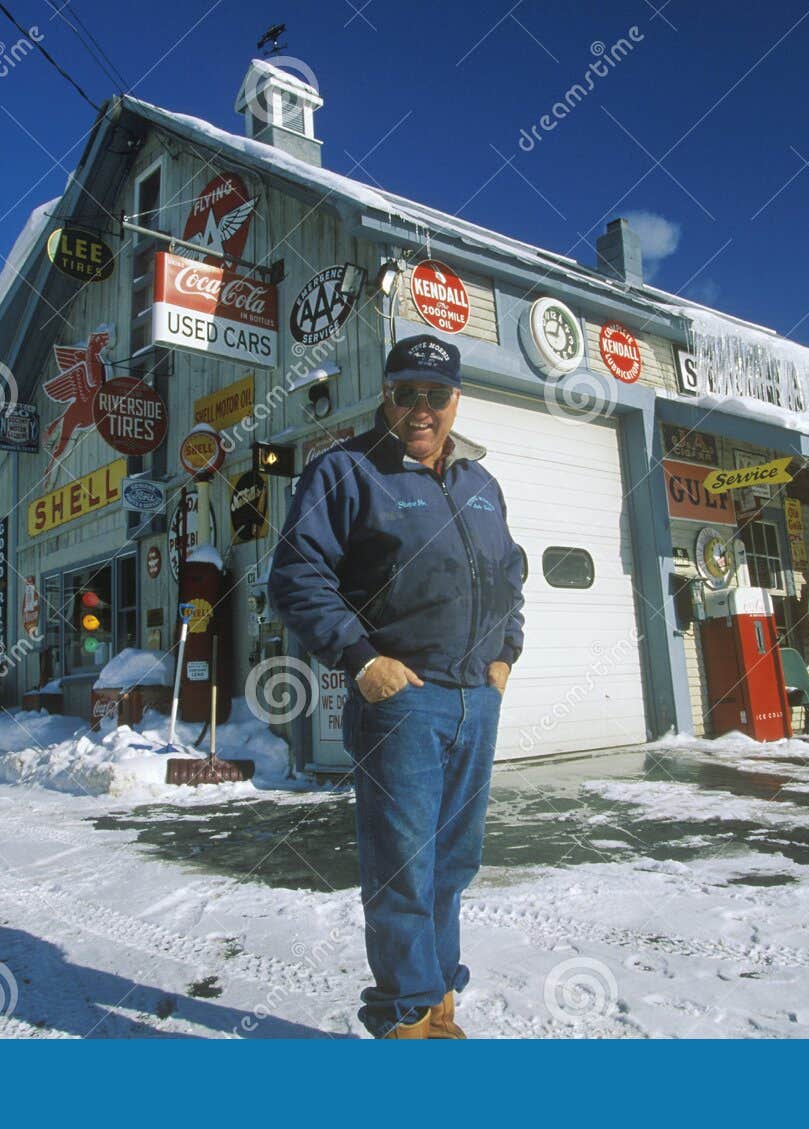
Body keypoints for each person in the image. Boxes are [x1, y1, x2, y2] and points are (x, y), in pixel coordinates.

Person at [269, 334, 525, 1039]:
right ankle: (405, 1018)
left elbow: (510, 577)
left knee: (453, 862)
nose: (421, 408)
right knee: (403, 869)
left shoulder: (480, 482)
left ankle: (439, 1004)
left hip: (476, 699)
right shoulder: (345, 473)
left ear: (456, 400)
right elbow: (295, 577)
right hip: (402, 701)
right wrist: (363, 659)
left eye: (435, 394)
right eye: (406, 392)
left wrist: (506, 653)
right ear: (386, 396)